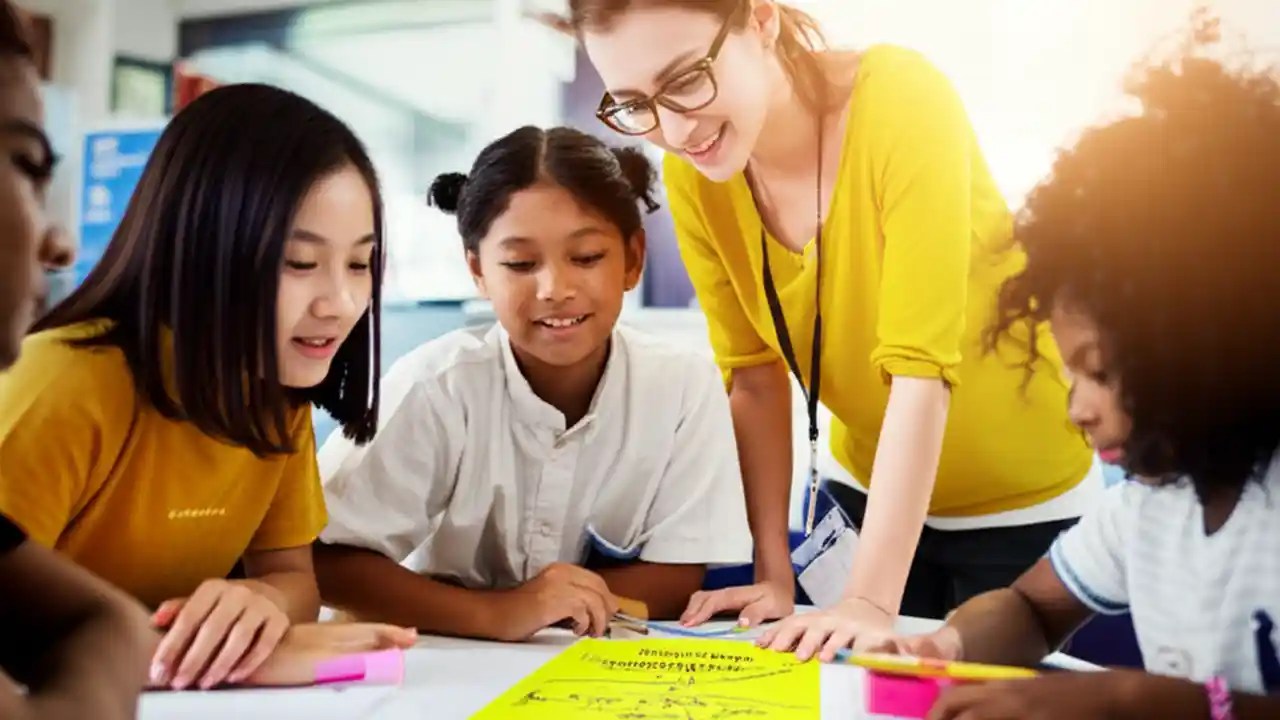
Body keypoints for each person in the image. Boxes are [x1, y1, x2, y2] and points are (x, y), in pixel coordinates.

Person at [566, 0, 1101, 656]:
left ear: (760, 20)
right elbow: (755, 378)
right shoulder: (696, 176)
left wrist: (870, 601)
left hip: (1022, 499)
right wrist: (774, 572)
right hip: (867, 492)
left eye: (684, 81)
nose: (674, 131)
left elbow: (920, 370)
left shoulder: (902, 99)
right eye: (633, 103)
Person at [872, 48, 1280, 720]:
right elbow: (1029, 607)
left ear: (1214, 338)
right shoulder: (1145, 509)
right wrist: (945, 645)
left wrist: (1128, 699)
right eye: (1070, 375)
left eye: (1099, 371)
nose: (1077, 409)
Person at [0, 82, 409, 692]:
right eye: (299, 263)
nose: (343, 302)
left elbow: (295, 579)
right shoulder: (65, 378)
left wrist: (259, 609)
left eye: (360, 263)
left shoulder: (276, 390)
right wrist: (197, 656)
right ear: (201, 250)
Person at [313, 125, 752, 641]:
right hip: (435, 657)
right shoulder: (434, 386)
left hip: (583, 669)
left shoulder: (683, 386)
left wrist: (564, 605)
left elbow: (679, 569)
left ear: (633, 259)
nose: (555, 290)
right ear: (477, 270)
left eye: (587, 258)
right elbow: (327, 560)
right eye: (520, 264)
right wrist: (497, 613)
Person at [0, 3, 154, 717]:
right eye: (26, 165)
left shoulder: (274, 401)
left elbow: (109, 624)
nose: (59, 243)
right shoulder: (69, 373)